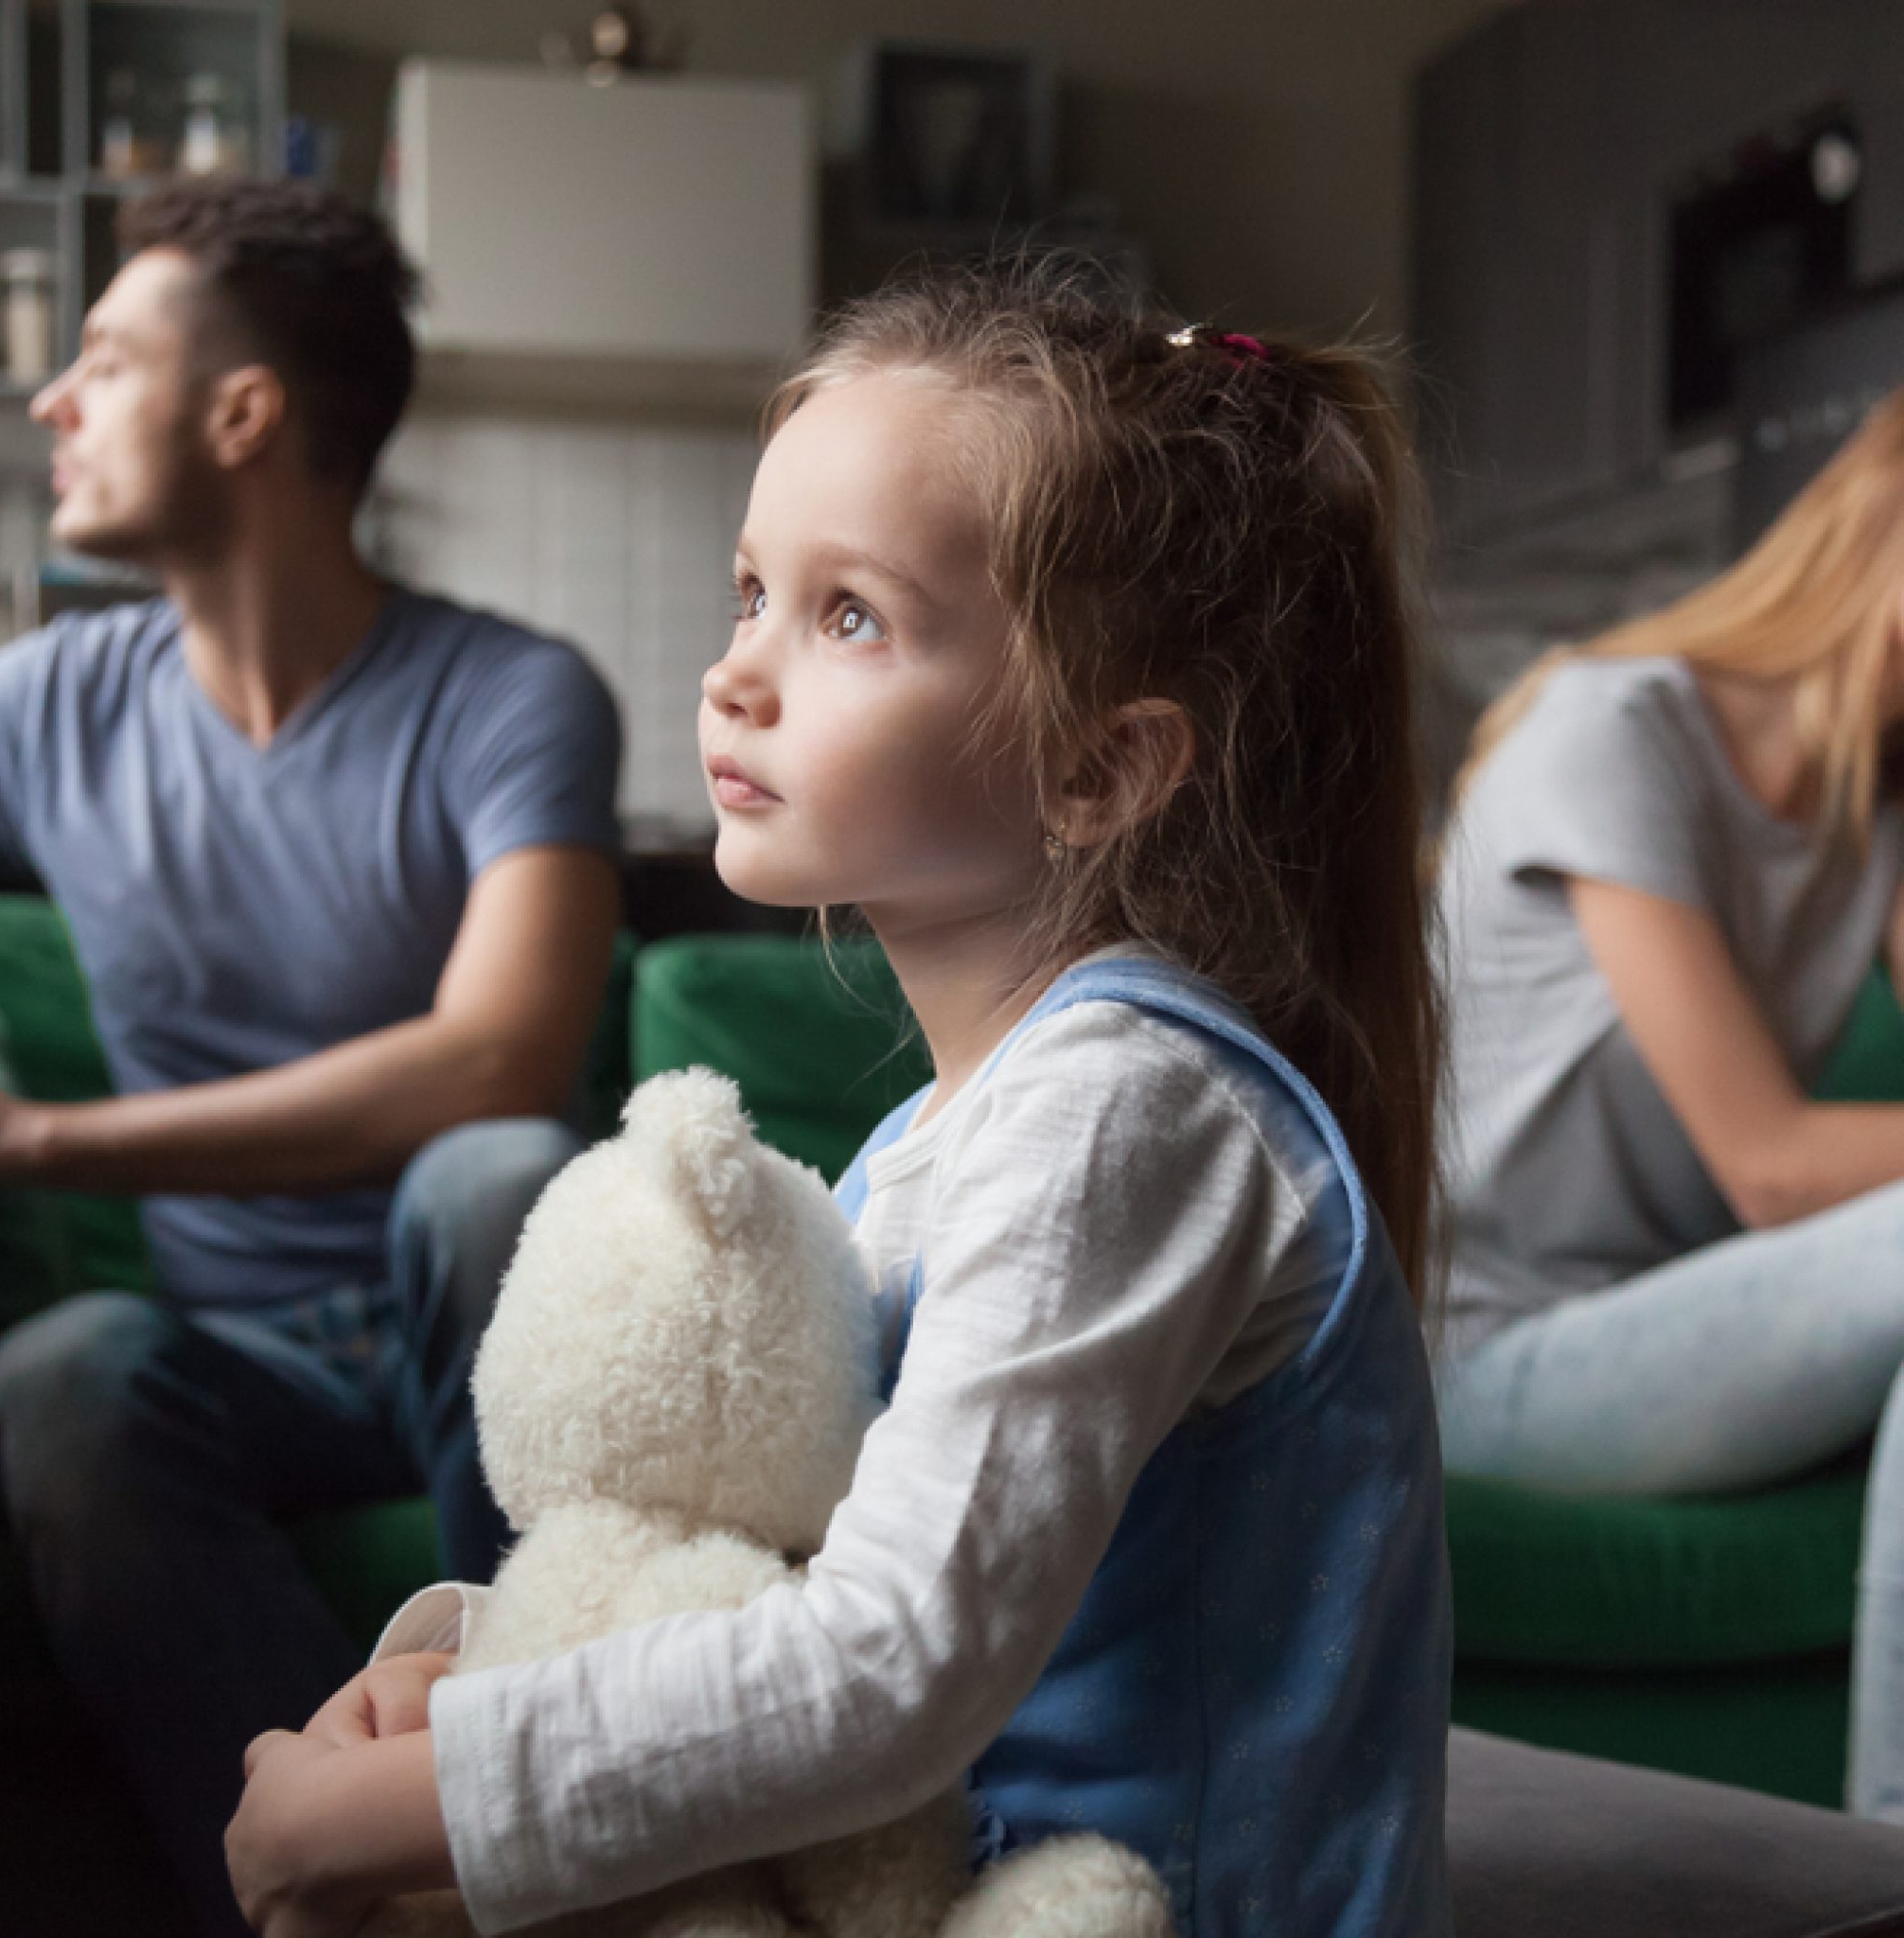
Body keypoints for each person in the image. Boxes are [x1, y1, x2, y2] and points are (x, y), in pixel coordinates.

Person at [224, 259, 1453, 1938]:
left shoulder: (1127, 1113)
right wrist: (458, 1680)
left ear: (1099, 769)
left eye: (849, 614)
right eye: (750, 594)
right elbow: (780, 1572)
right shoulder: (921, 1155)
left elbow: (892, 1665)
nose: (737, 672)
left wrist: (395, 1804)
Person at [0, 177, 624, 1933]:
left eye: (104, 360)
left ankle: (535, 1818)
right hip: (237, 1362)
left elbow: (497, 1061)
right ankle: (346, 1896)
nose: (55, 398)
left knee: (497, 1178)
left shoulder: (510, 695)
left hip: (466, 1327)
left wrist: (34, 1140)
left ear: (244, 414)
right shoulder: (43, 710)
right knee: (63, 1370)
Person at [1431, 390, 1904, 1817]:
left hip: (1676, 1352)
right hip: (1480, 1358)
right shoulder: (1609, 733)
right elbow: (1768, 1168)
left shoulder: (1877, 816)